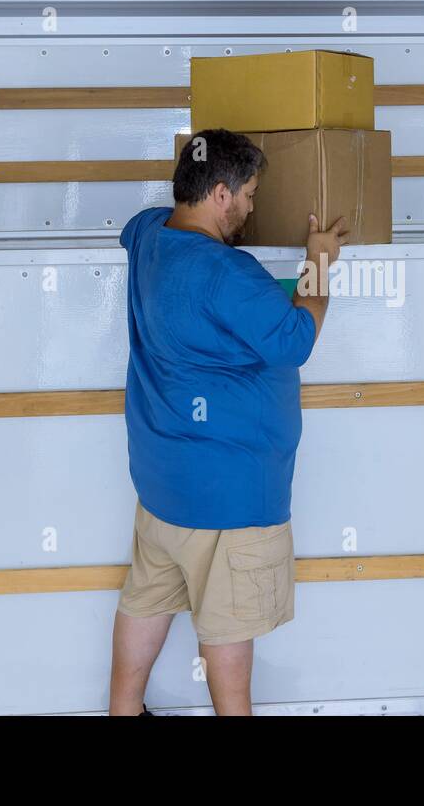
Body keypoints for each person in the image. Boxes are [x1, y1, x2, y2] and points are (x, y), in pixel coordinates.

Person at [108, 128, 348, 716]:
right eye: (249, 195)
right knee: (228, 657)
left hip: (163, 489)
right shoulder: (226, 272)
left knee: (146, 602)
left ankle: (123, 711)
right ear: (220, 193)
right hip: (233, 502)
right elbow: (295, 340)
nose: (252, 208)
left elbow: (149, 228)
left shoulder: (147, 237)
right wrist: (318, 261)